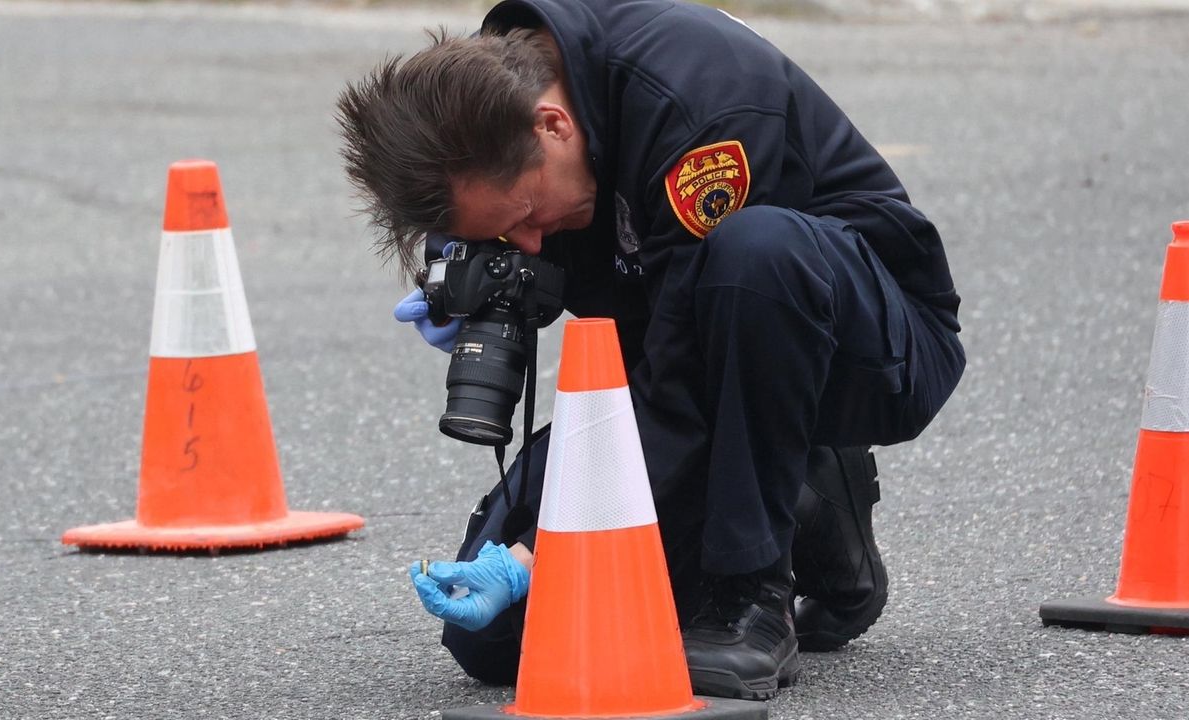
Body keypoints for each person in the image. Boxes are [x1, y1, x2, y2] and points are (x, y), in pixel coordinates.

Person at [336, 0, 964, 701]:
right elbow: (652, 364)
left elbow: (686, 382)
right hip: (673, 364)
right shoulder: (487, 107)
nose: (534, 244)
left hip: (870, 348)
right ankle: (813, 500)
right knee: (497, 640)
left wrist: (539, 552)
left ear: (553, 127)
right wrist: (471, 270)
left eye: (525, 220)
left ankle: (750, 596)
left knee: (754, 255)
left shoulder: (700, 106)